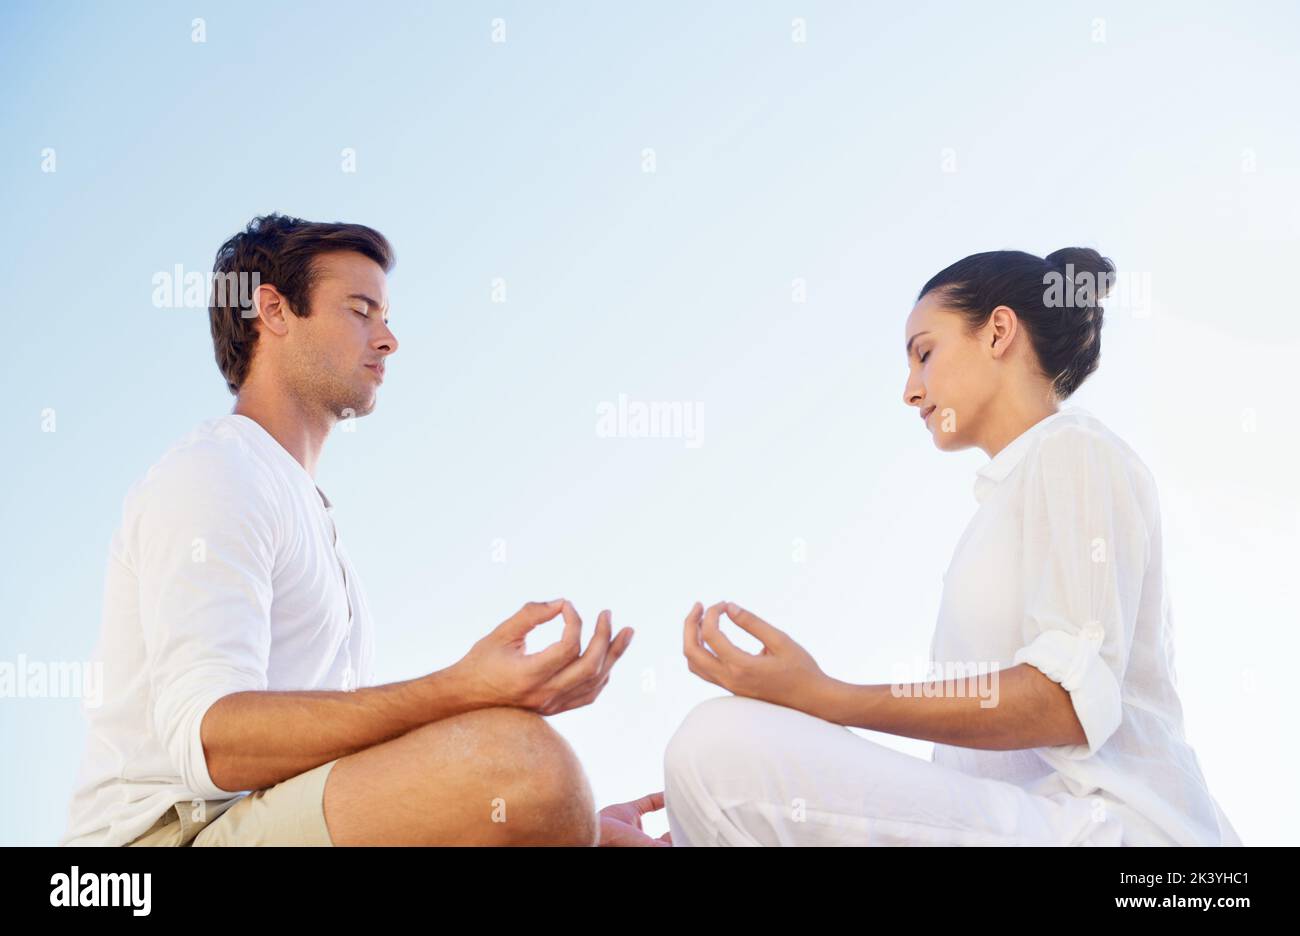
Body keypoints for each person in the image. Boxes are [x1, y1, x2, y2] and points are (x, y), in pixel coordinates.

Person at [61, 213, 669, 846]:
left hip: (257, 820)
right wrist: (462, 692)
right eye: (361, 310)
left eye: (386, 317)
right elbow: (213, 744)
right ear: (273, 311)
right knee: (521, 768)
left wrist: (573, 832)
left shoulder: (306, 508)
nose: (388, 340)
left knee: (543, 798)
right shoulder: (214, 472)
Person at [663, 247, 1241, 847]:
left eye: (924, 353)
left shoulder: (1073, 450)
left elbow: (1064, 700)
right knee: (718, 771)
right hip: (1029, 825)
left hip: (1124, 838)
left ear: (997, 332)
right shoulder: (1002, 503)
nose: (912, 392)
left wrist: (826, 696)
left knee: (717, 747)